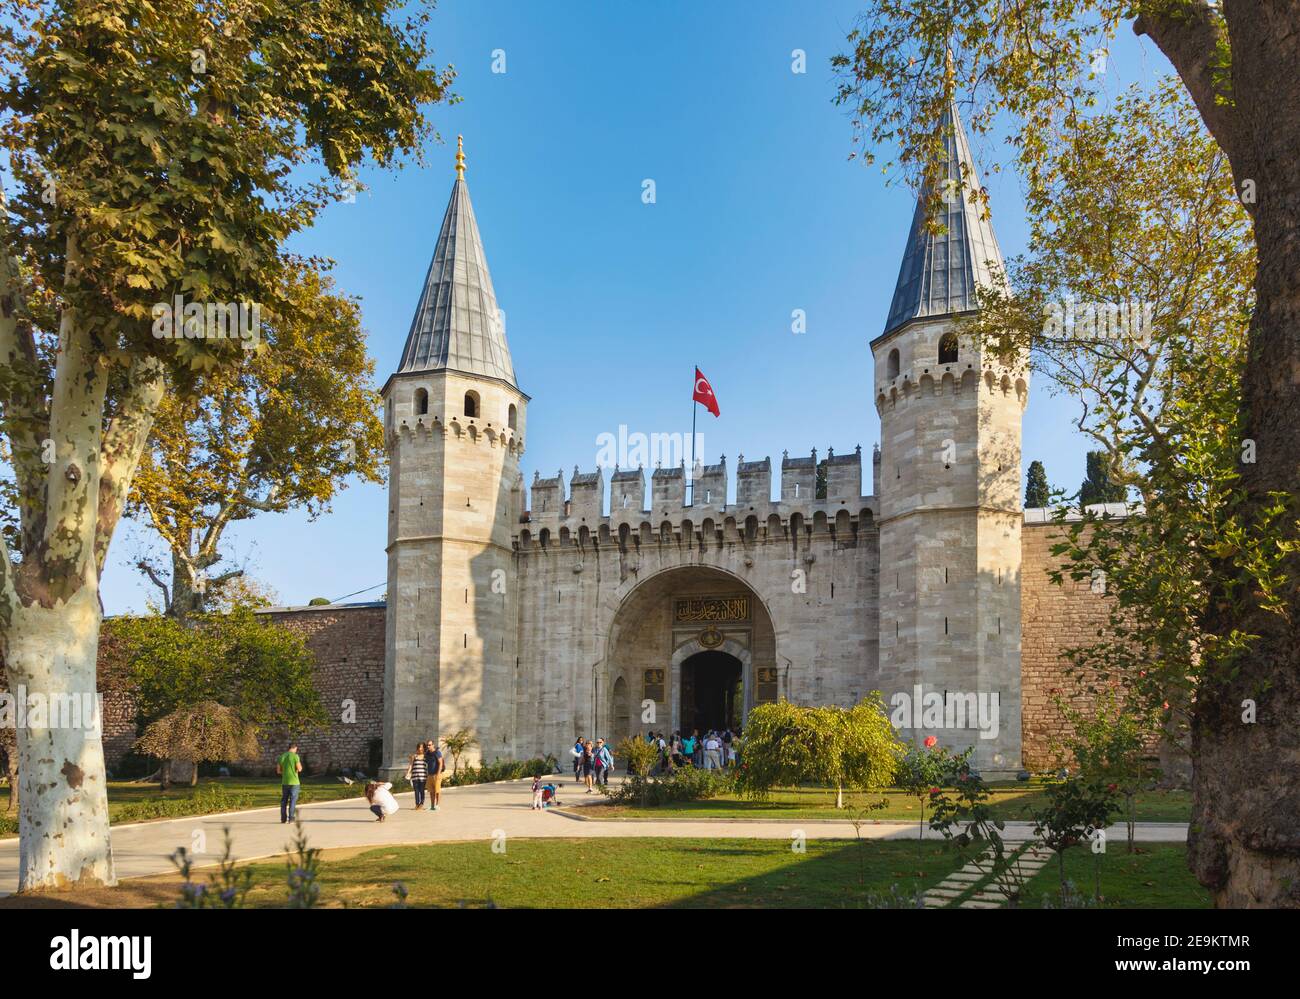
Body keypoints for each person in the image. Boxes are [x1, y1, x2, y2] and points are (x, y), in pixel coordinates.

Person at [276, 741, 303, 824]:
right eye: (296, 749)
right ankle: (291, 819)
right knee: (292, 801)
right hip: (294, 782)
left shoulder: (281, 756)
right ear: (294, 748)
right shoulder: (295, 756)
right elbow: (299, 769)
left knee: (284, 800)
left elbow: (278, 771)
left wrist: (284, 772)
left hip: (285, 782)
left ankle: (283, 819)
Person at [405, 741, 428, 810]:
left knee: (422, 790)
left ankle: (421, 804)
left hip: (423, 776)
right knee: (416, 791)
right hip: (415, 776)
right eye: (419, 747)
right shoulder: (414, 756)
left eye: (421, 747)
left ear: (424, 748)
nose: (420, 748)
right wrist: (408, 772)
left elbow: (428, 766)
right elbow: (411, 765)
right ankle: (417, 804)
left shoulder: (426, 756)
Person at [425, 738, 445, 811]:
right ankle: (432, 806)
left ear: (433, 745)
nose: (428, 746)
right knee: (431, 791)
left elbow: (440, 763)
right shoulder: (427, 754)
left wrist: (438, 773)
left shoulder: (437, 752)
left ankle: (437, 805)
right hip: (430, 775)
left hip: (437, 774)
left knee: (437, 791)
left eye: (430, 745)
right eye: (427, 745)